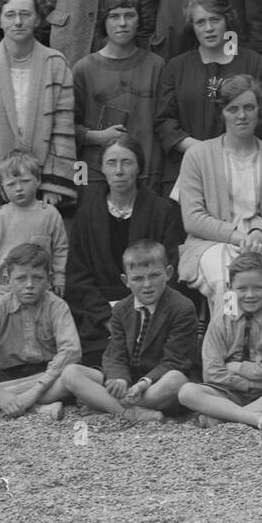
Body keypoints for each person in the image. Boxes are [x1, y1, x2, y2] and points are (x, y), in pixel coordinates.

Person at [0, 0, 76, 264]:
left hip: (41, 186)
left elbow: (64, 129)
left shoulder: (56, 64)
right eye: (10, 15)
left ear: (37, 19)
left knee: (41, 265)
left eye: (25, 13)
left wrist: (51, 183)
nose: (18, 21)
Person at [177, 75, 262, 317]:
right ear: (222, 113)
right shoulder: (197, 156)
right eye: (233, 109)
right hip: (212, 243)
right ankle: (229, 349)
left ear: (258, 111)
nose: (242, 115)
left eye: (249, 107)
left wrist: (257, 234)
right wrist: (236, 236)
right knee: (228, 283)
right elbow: (193, 218)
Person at [64, 134, 184, 364]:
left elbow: (171, 270)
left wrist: (142, 311)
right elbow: (77, 278)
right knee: (96, 363)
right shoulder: (87, 215)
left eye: (126, 162)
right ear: (102, 169)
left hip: (152, 307)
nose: (119, 171)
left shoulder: (162, 211)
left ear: (139, 167)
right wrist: (108, 318)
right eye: (112, 163)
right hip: (100, 315)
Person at [60, 238, 197, 423]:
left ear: (168, 273)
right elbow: (115, 353)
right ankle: (131, 412)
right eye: (138, 278)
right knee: (71, 373)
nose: (147, 284)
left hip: (156, 383)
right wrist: (118, 378)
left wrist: (144, 383)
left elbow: (175, 360)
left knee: (176, 380)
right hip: (128, 382)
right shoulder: (120, 310)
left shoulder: (182, 307)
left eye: (154, 275)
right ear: (126, 281)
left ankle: (108, 405)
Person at [154, 0, 262, 192]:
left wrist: (226, 153)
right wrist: (203, 151)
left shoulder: (254, 63)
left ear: (227, 20)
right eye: (201, 22)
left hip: (243, 170)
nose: (208, 28)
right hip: (187, 170)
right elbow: (165, 122)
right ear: (192, 26)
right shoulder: (176, 67)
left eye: (215, 19)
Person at [0, 243, 80, 420]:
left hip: (45, 375)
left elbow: (71, 351)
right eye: (21, 278)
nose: (30, 285)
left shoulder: (57, 307)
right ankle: (36, 408)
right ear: (7, 279)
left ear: (49, 279)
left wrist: (35, 391)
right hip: (5, 377)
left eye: (38, 278)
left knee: (76, 374)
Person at [177, 252, 262, 432]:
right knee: (187, 392)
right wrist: (247, 384)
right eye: (242, 288)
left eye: (258, 288)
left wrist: (238, 368)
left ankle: (224, 417)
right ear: (230, 287)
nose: (250, 295)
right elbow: (211, 373)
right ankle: (255, 418)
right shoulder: (220, 320)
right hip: (228, 393)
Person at [72, 0, 165, 190]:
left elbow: (167, 122)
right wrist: (97, 136)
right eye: (114, 16)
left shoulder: (156, 65)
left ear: (139, 20)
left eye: (130, 15)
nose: (122, 23)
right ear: (103, 22)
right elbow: (67, 128)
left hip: (149, 175)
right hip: (98, 177)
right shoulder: (84, 69)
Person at [0, 150, 68, 302]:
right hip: (5, 291)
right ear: (2, 186)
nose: (18, 188)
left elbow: (60, 249)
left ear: (37, 180)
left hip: (42, 290)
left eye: (25, 181)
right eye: (11, 184)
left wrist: (59, 279)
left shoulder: (50, 214)